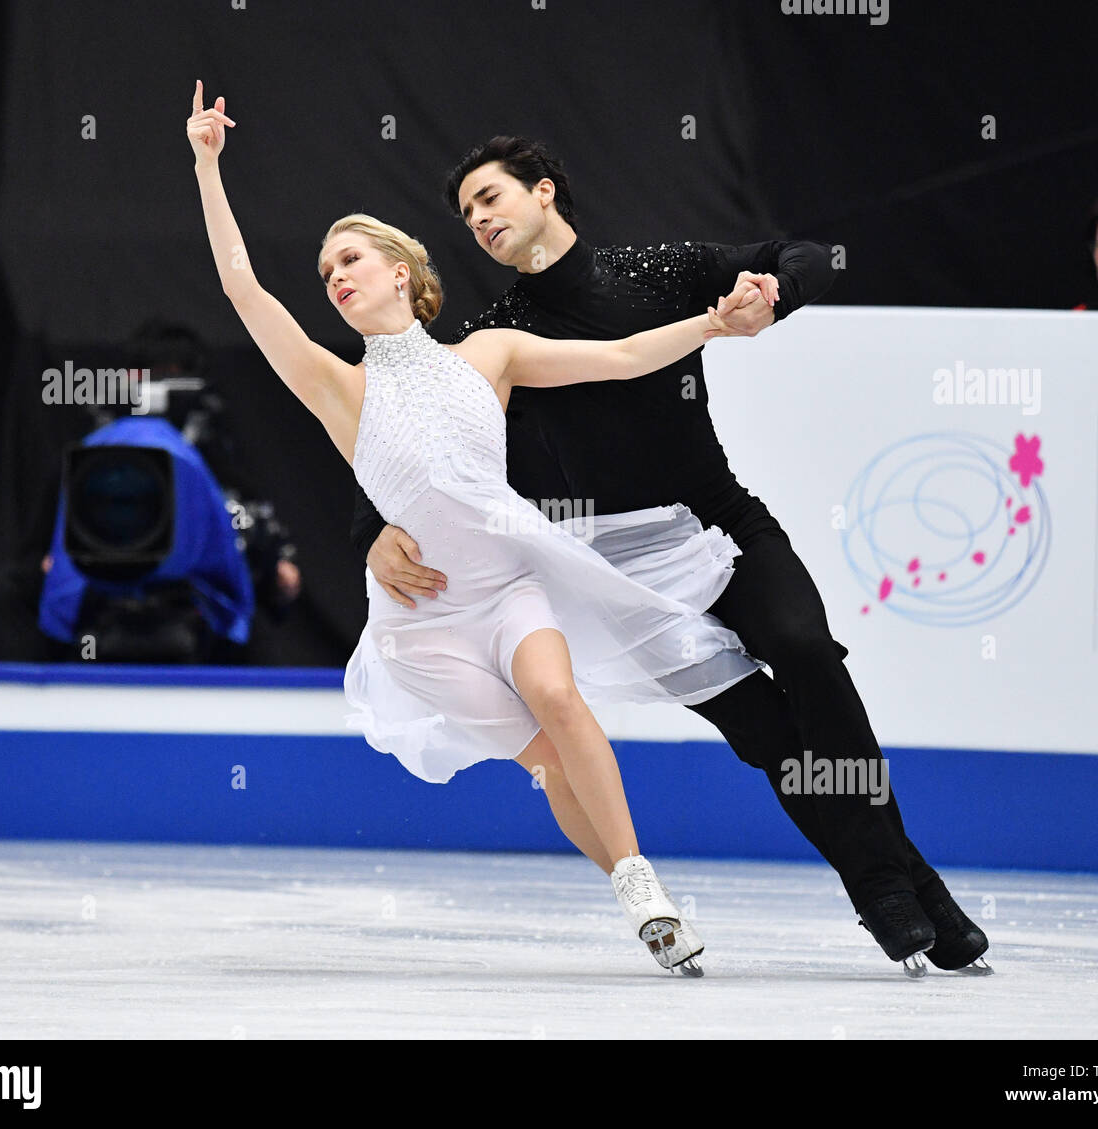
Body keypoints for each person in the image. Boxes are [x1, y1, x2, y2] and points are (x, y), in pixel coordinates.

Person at [351, 135, 992, 976]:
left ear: (544, 192)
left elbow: (803, 257)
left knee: (804, 650)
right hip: (619, 569)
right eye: (466, 215)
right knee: (765, 731)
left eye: (490, 199)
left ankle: (893, 882)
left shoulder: (657, 272)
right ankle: (900, 890)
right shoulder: (498, 332)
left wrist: (778, 291)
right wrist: (377, 528)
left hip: (720, 523)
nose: (478, 221)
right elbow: (414, 437)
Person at [187, 81, 768, 975]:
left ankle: (641, 885)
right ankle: (626, 881)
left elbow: (616, 358)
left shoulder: (486, 356)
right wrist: (207, 163)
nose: (335, 278)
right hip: (424, 626)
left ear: (402, 273)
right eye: (325, 274)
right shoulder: (337, 384)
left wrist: (711, 326)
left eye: (349, 260)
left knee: (563, 699)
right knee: (546, 762)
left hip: (509, 583)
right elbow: (239, 285)